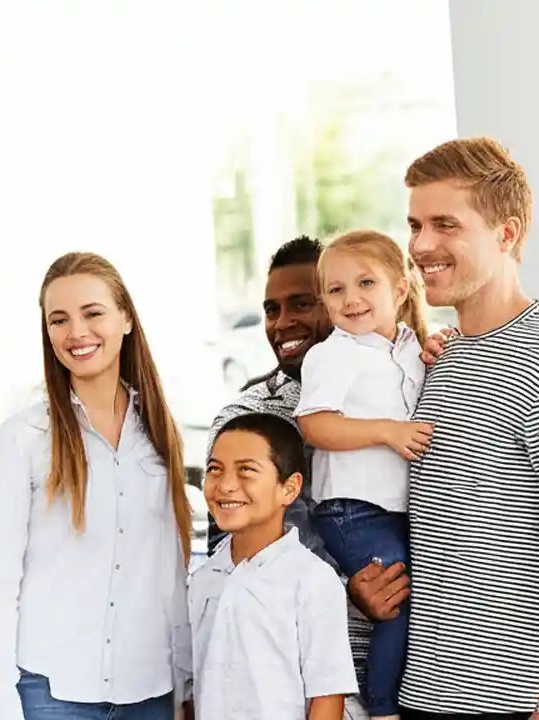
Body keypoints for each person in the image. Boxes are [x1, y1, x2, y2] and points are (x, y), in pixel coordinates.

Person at [399, 137, 539, 720]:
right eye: (415, 225)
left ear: (507, 233)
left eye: (446, 224)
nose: (421, 246)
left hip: (507, 705)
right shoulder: (437, 356)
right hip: (416, 695)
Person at [0, 251, 193, 720]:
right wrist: (1, 697)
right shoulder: (23, 437)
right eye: (59, 320)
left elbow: (171, 570)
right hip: (50, 692)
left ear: (126, 319)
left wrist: (185, 680)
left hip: (149, 690)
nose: (76, 332)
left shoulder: (160, 432)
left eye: (92, 313)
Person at [207, 236, 414, 719]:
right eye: (271, 309)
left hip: (423, 677)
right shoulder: (246, 418)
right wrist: (345, 591)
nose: (283, 323)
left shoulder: (401, 369)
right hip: (299, 684)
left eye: (302, 303)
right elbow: (231, 558)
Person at [294, 230, 433, 720]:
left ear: (399, 290)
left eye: (366, 283)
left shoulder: (413, 351)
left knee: (428, 599)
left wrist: (440, 348)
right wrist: (386, 432)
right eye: (335, 290)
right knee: (398, 598)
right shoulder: (334, 354)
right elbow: (315, 424)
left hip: (397, 509)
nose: (350, 298)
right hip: (352, 510)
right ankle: (384, 709)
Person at [190, 412, 358, 720]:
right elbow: (190, 690)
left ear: (289, 488)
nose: (226, 485)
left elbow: (327, 698)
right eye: (215, 469)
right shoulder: (201, 581)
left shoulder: (312, 581)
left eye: (246, 471)